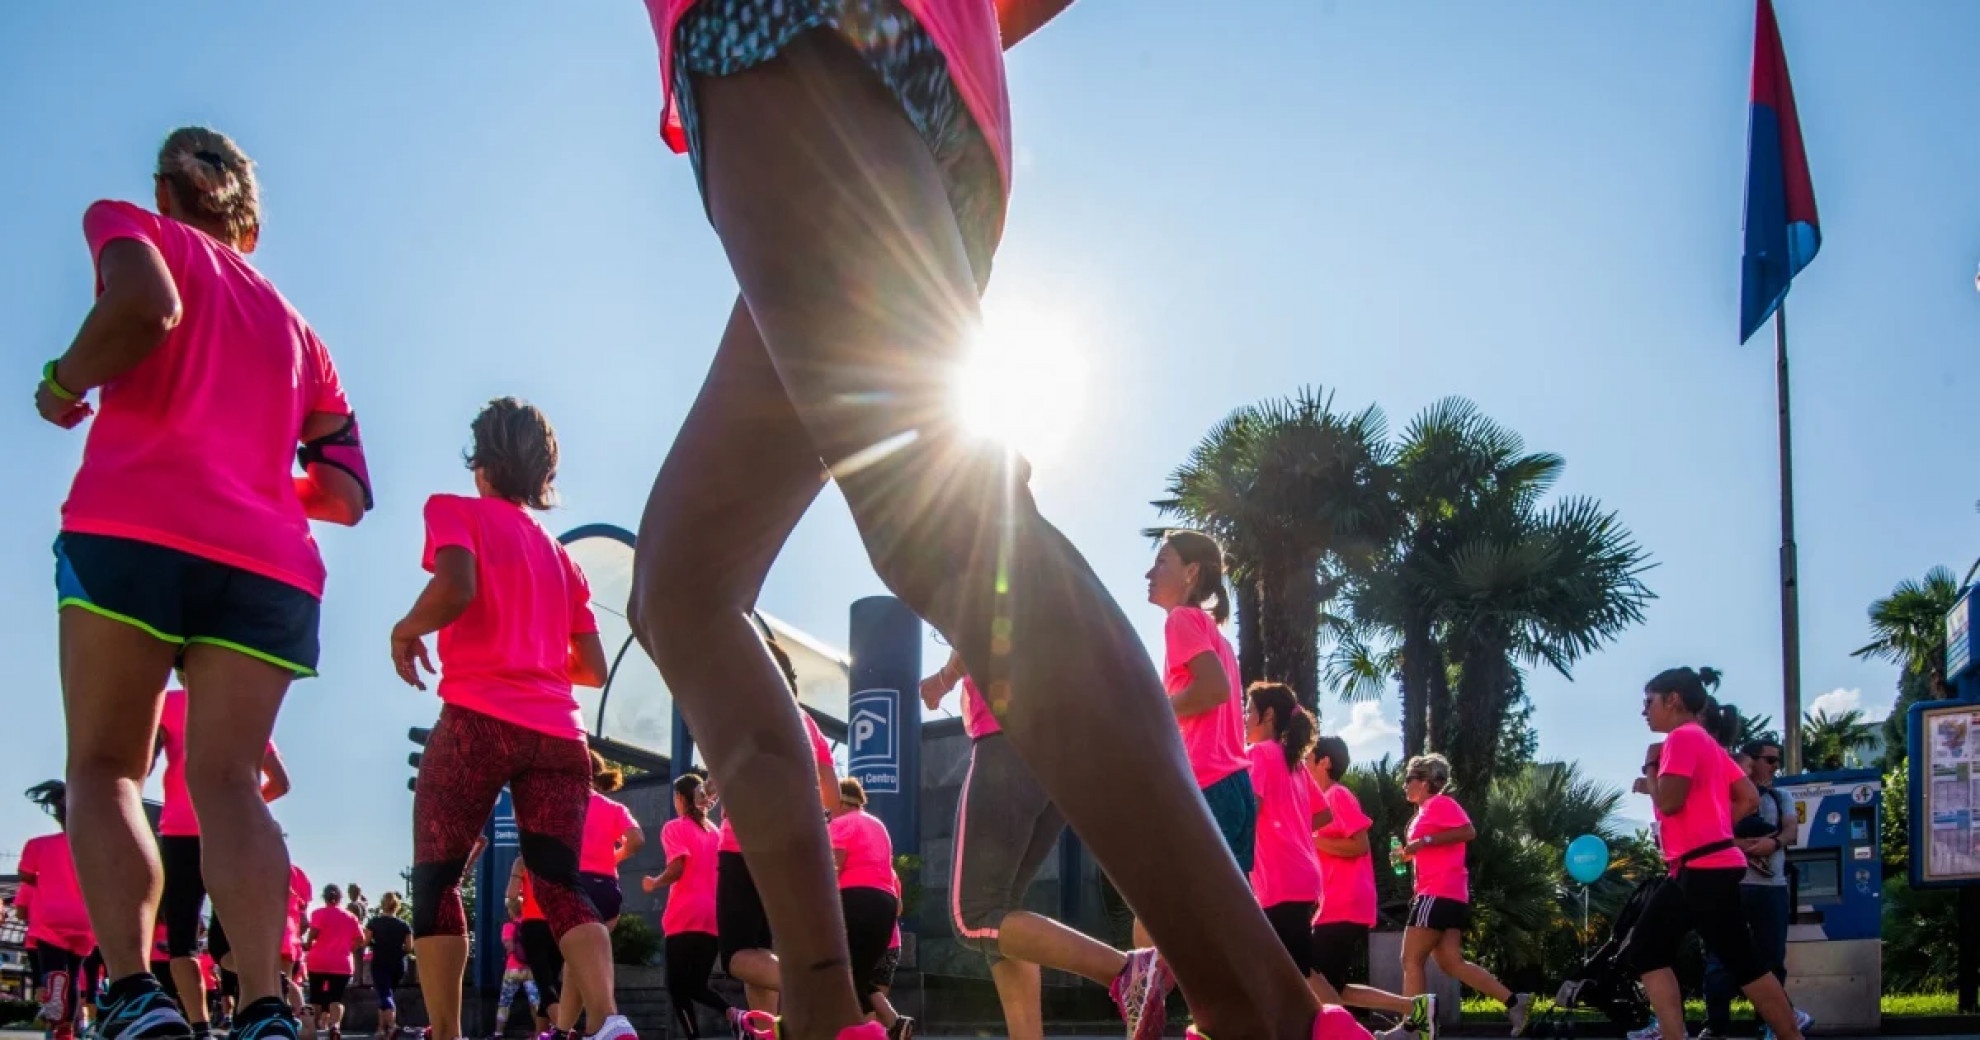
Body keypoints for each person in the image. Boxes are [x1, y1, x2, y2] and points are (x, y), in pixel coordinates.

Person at [621, 0, 1329, 1035]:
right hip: (916, 92)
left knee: (939, 520)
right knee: (680, 590)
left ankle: (1274, 1016)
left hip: (785, 37)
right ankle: (830, 1014)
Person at [43, 125, 369, 1040]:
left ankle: (136, 997)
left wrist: (62, 381)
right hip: (267, 564)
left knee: (106, 766)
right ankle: (266, 1008)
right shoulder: (303, 332)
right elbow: (345, 493)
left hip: (133, 529)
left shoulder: (129, 225)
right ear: (251, 228)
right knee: (228, 784)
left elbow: (147, 306)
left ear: (162, 194)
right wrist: (258, 473)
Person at [394, 399, 623, 1040]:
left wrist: (406, 628)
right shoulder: (563, 558)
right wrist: (536, 656)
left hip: (476, 721)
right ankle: (610, 1021)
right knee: (557, 881)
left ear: (483, 463)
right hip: (559, 734)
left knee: (437, 877)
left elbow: (457, 587)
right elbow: (594, 666)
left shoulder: (454, 512)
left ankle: (446, 1033)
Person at [920, 650, 1172, 1040]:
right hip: (1056, 755)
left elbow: (975, 620)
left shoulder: (992, 586)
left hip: (1007, 737)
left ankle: (1125, 973)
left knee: (973, 917)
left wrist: (943, 678)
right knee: (1001, 915)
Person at [1632, 668, 1810, 1040]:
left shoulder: (1679, 740)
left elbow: (1668, 800)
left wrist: (1651, 766)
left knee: (1666, 952)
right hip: (1703, 866)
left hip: (1700, 869)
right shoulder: (1710, 745)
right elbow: (1747, 798)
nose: (1644, 711)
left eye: (1648, 702)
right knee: (1730, 960)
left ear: (1674, 699)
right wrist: (1713, 830)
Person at [710, 626, 841, 1020]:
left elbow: (727, 773)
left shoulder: (746, 713)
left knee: (736, 955)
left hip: (746, 844)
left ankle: (818, 988)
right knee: (761, 952)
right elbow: (831, 792)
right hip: (796, 848)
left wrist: (712, 792)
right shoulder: (806, 722)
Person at [153, 686, 293, 1040]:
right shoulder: (244, 701)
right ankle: (261, 1003)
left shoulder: (167, 702)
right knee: (227, 943)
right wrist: (246, 804)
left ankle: (199, 1028)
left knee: (182, 937)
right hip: (233, 829)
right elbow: (280, 782)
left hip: (181, 828)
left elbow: (142, 760)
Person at [1395, 755, 1532, 1035]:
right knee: (1450, 961)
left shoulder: (1441, 804)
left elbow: (1468, 831)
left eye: (1409, 779)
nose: (1404, 785)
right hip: (1446, 893)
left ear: (1424, 782)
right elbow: (1434, 848)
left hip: (1437, 892)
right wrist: (1412, 853)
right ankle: (1515, 1002)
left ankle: (1414, 1028)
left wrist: (1425, 841)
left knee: (1411, 960)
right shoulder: (1420, 815)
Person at [1305, 740, 1433, 1035]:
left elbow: (1359, 844)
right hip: (1335, 903)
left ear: (1325, 762)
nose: (1303, 763)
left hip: (1344, 902)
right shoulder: (1324, 800)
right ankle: (1415, 1008)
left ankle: (1347, 1034)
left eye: (1307, 757)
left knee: (1309, 972)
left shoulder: (1337, 795)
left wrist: (1312, 839)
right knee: (1331, 984)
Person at [1700, 740, 1797, 1040]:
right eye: (1770, 760)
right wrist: (1743, 846)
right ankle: (1716, 1026)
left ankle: (1769, 1023)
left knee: (1772, 958)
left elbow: (1791, 830)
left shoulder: (1781, 797)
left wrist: (1775, 843)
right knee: (1720, 959)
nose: (1774, 767)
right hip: (1734, 885)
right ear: (1750, 761)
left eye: (1777, 761)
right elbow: (1710, 833)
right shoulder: (1727, 796)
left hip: (1772, 887)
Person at [553, 754, 644, 1037]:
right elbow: (638, 839)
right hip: (606, 889)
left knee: (581, 961)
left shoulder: (563, 805)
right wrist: (613, 858)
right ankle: (564, 1030)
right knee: (581, 962)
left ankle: (602, 1026)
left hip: (576, 885)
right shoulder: (614, 807)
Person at [646, 773, 731, 1039]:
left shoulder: (675, 827)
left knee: (677, 988)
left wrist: (654, 883)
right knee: (696, 986)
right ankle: (733, 1013)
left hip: (684, 917)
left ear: (681, 798)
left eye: (675, 796)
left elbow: (677, 867)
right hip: (712, 919)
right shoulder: (716, 833)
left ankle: (693, 1037)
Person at [827, 780, 907, 1040]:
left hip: (857, 900)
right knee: (859, 975)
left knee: (844, 976)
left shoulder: (840, 823)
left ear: (839, 801)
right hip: (886, 904)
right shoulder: (877, 825)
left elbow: (833, 867)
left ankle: (871, 1033)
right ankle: (893, 1023)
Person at [18, 781, 95, 1040]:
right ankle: (66, 1032)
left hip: (50, 917)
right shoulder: (93, 848)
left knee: (56, 971)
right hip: (86, 919)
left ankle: (54, 991)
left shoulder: (38, 845)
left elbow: (26, 876)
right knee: (74, 977)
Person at [507, 864, 565, 1037]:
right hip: (557, 925)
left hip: (533, 925)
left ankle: (565, 1031)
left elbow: (511, 895)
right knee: (552, 983)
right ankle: (542, 1033)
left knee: (545, 985)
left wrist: (517, 905)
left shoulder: (523, 861)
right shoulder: (559, 857)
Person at [302, 885, 363, 1040]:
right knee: (336, 998)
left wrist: (309, 944)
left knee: (315, 997)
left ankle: (314, 1028)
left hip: (318, 961)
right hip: (342, 963)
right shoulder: (350, 917)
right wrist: (348, 948)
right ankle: (335, 1025)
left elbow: (313, 933)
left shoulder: (318, 913)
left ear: (324, 897)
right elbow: (360, 939)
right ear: (341, 898)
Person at [365, 893, 414, 1040]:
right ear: (397, 906)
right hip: (397, 963)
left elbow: (365, 941)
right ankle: (381, 1029)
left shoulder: (374, 922)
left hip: (380, 961)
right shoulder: (404, 925)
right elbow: (409, 947)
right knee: (387, 993)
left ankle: (392, 1026)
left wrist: (376, 945)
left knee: (384, 994)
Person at [491, 915, 544, 1040]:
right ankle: (540, 1034)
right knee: (535, 1003)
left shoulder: (508, 926)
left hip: (512, 969)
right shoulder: (530, 925)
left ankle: (498, 1033)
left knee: (504, 1003)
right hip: (530, 970)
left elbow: (509, 946)